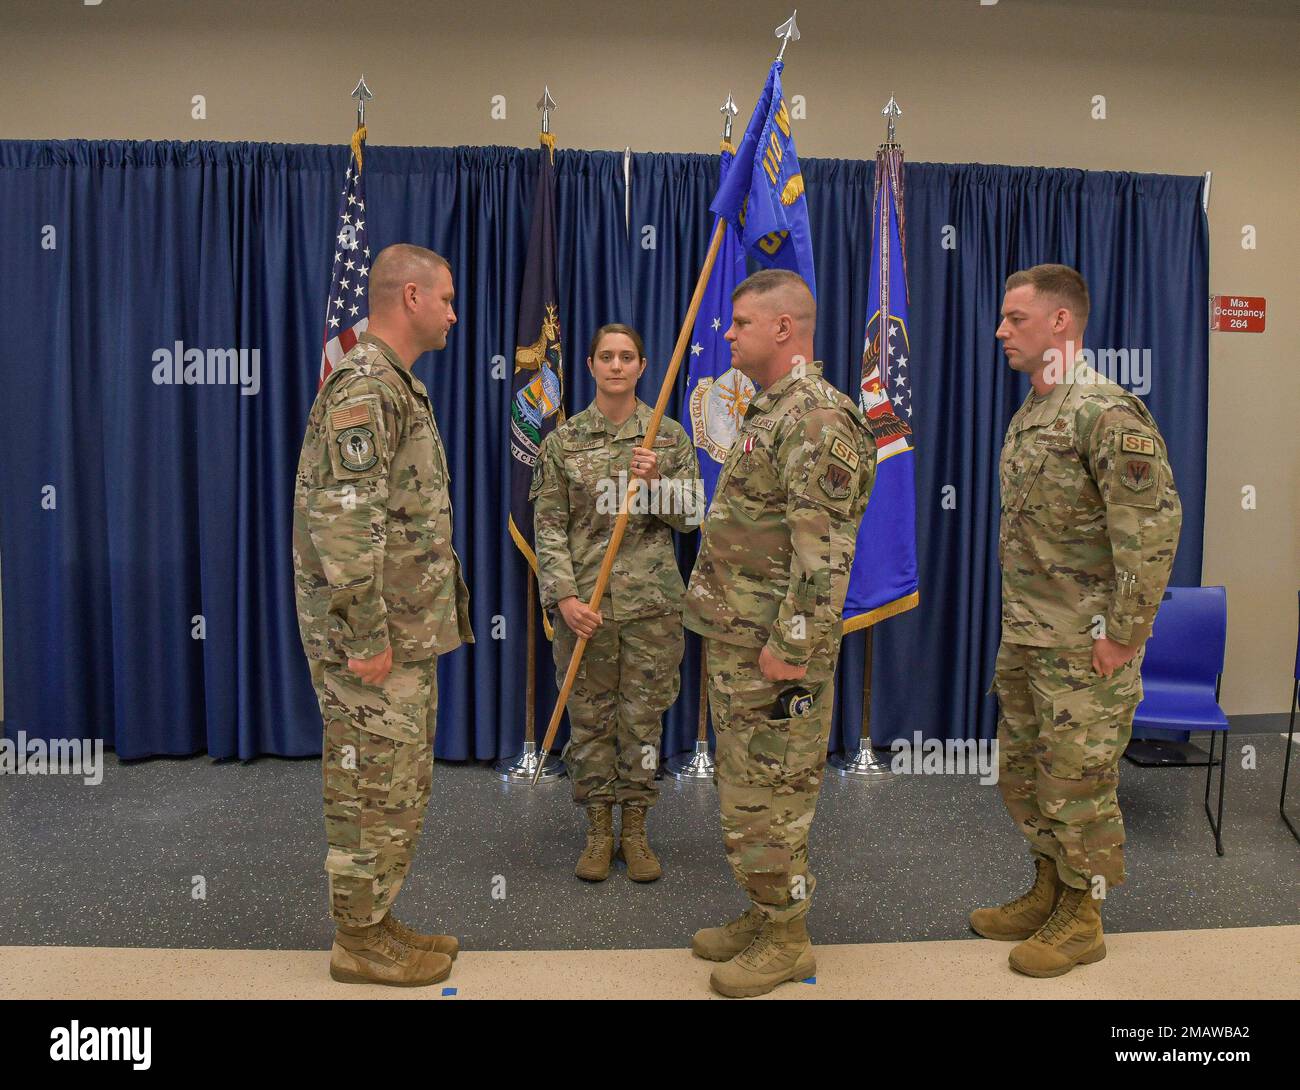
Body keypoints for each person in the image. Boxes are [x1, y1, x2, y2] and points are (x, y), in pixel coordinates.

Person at [971, 264, 1182, 978]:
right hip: (1031, 636)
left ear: (1061, 322)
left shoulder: (1104, 411)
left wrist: (1123, 635)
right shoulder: (1034, 410)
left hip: (1085, 645)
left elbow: (1150, 530)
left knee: (1080, 785)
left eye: (1016, 319)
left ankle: (1083, 916)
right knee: (1026, 777)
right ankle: (1049, 891)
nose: (1001, 330)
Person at [683, 270, 876, 998]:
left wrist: (790, 647)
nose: (726, 334)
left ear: (784, 329)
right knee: (748, 791)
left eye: (739, 322)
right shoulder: (774, 411)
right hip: (741, 639)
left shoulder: (819, 419)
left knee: (772, 793)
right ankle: (767, 911)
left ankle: (787, 937)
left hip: (774, 651)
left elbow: (822, 556)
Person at [293, 243, 473, 987]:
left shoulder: (394, 384)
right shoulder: (367, 387)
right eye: (448, 299)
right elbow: (344, 521)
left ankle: (375, 916)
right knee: (369, 780)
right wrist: (365, 635)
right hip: (375, 638)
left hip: (401, 628)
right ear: (410, 299)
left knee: (394, 781)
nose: (455, 314)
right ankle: (357, 941)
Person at [530, 324, 702, 882]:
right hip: (588, 611)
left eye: (628, 356)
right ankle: (599, 827)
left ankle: (637, 827)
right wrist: (564, 598)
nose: (617, 365)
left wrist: (655, 483)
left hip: (651, 609)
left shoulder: (667, 438)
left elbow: (692, 516)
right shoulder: (564, 441)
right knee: (591, 723)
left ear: (643, 366)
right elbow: (549, 529)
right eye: (607, 356)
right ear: (589, 364)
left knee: (642, 722)